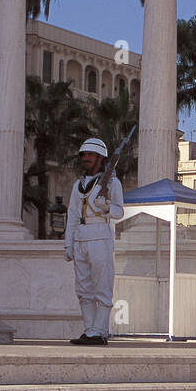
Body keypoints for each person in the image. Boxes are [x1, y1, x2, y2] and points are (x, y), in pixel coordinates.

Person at [65, 137, 124, 346]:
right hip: (81, 236)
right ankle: (89, 330)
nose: (86, 158)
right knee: (83, 289)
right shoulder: (77, 185)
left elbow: (119, 211)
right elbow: (72, 214)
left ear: (101, 158)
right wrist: (68, 243)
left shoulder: (112, 183)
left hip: (100, 234)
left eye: (90, 155)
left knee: (102, 287)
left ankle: (100, 331)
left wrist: (106, 207)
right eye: (84, 155)